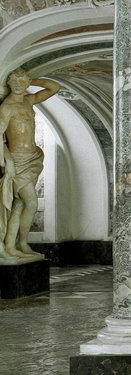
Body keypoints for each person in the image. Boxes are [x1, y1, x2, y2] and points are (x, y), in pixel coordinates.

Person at [0, 68, 60, 264]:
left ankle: (12, 245)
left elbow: (54, 87)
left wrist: (30, 79)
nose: (19, 85)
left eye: (22, 82)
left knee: (19, 204)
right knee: (31, 203)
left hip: (33, 157)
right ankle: (22, 242)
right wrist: (8, 161)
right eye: (15, 81)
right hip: (17, 159)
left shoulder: (28, 101)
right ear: (8, 83)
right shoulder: (6, 107)